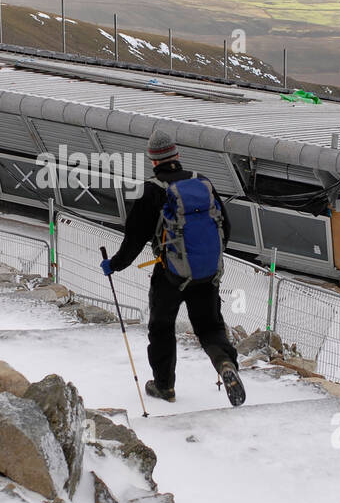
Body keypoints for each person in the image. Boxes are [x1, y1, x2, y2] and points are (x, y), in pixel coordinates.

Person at [100, 127, 246, 406]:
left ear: (153, 160)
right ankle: (225, 363)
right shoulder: (202, 182)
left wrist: (114, 265)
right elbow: (225, 227)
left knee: (162, 328)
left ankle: (164, 386)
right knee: (210, 327)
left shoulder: (153, 191)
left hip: (169, 275)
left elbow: (134, 240)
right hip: (206, 273)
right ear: (177, 155)